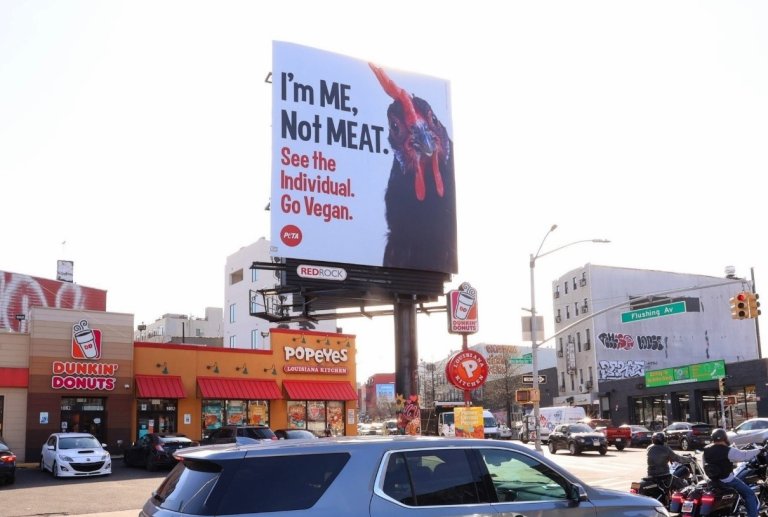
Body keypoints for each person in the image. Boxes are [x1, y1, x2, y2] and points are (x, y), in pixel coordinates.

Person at [703, 428, 762, 517]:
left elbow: (706, 465)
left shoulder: (706, 450)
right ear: (725, 438)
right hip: (727, 480)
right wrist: (759, 450)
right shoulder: (728, 450)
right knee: (749, 494)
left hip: (712, 481)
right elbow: (744, 456)